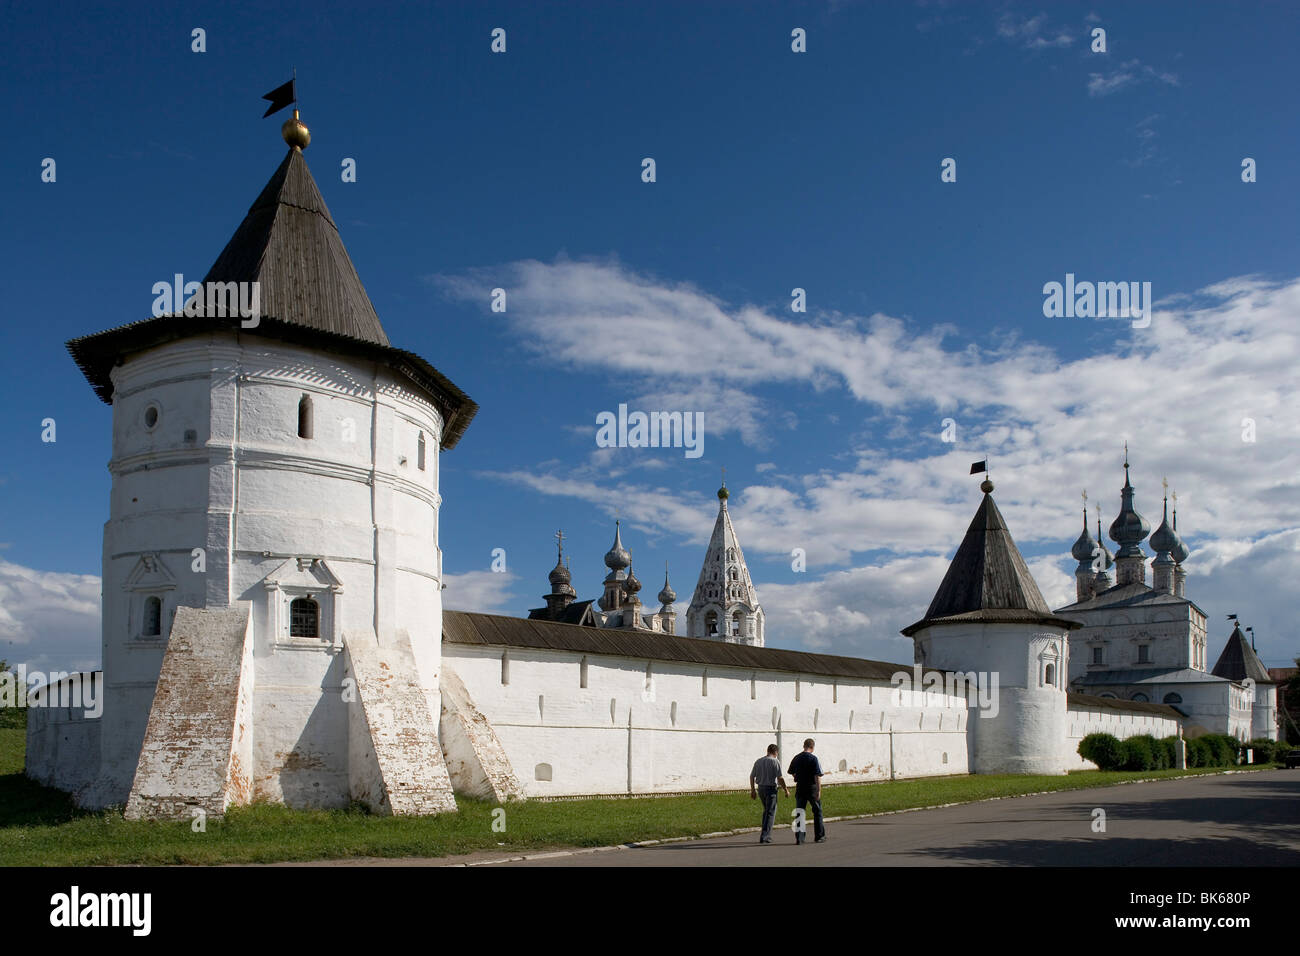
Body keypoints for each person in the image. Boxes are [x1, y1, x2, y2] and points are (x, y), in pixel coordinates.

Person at [787, 738, 826, 844]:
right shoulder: (813, 759)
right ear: (812, 747)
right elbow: (817, 775)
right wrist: (819, 790)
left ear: (804, 746)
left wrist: (796, 776)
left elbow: (790, 771)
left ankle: (799, 838)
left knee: (800, 812)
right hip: (812, 788)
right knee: (817, 811)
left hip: (800, 788)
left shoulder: (797, 758)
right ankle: (819, 836)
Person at [749, 744, 789, 844]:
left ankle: (764, 832)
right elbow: (780, 778)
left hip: (761, 789)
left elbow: (752, 776)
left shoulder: (759, 761)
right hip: (771, 789)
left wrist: (753, 790)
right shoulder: (775, 761)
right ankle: (765, 836)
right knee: (771, 812)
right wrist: (786, 789)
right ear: (775, 752)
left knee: (766, 811)